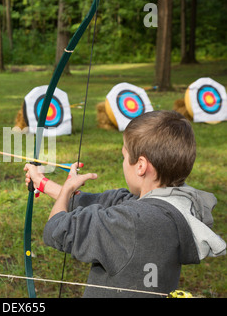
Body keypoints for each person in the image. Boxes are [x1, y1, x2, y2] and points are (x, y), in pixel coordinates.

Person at [24, 110, 225, 298]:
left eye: (124, 156)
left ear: (140, 165)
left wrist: (67, 189)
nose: (122, 162)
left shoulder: (131, 223)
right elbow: (97, 203)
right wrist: (42, 183)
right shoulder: (177, 206)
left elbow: (56, 228)